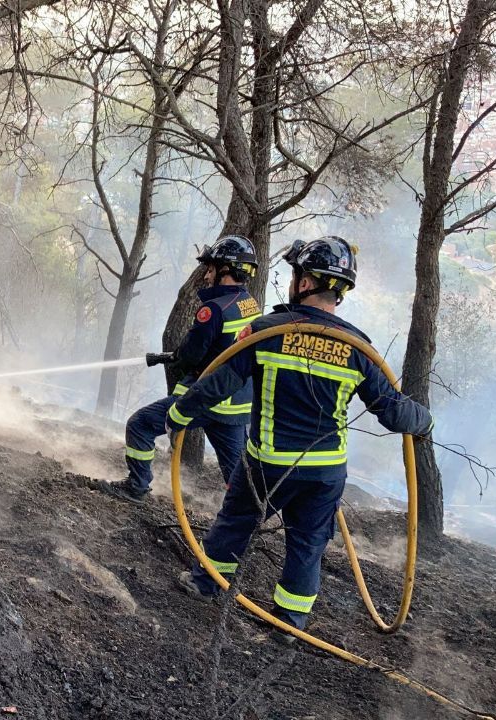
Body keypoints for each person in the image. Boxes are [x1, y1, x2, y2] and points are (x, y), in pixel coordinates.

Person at [166, 236, 433, 639]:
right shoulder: (358, 348)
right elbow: (394, 411)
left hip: (268, 463)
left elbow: (218, 382)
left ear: (305, 282)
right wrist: (425, 421)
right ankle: (289, 624)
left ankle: (207, 584)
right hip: (325, 474)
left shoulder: (266, 332)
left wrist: (179, 413)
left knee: (236, 521)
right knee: (307, 546)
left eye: (296, 274)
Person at [98, 235, 262, 504]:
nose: (207, 277)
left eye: (210, 269)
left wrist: (179, 355)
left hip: (206, 400)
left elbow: (191, 354)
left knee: (140, 425)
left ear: (226, 270)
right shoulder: (250, 305)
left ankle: (136, 487)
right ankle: (250, 516)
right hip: (236, 409)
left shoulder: (213, 309)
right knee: (238, 474)